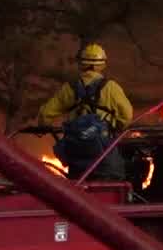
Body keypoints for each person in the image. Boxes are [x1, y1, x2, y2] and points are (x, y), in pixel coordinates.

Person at [24, 45, 134, 177]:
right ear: (102, 64)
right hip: (105, 157)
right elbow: (127, 116)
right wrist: (115, 127)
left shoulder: (69, 89)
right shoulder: (111, 88)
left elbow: (45, 115)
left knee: (78, 185)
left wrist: (44, 126)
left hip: (77, 160)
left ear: (81, 64)